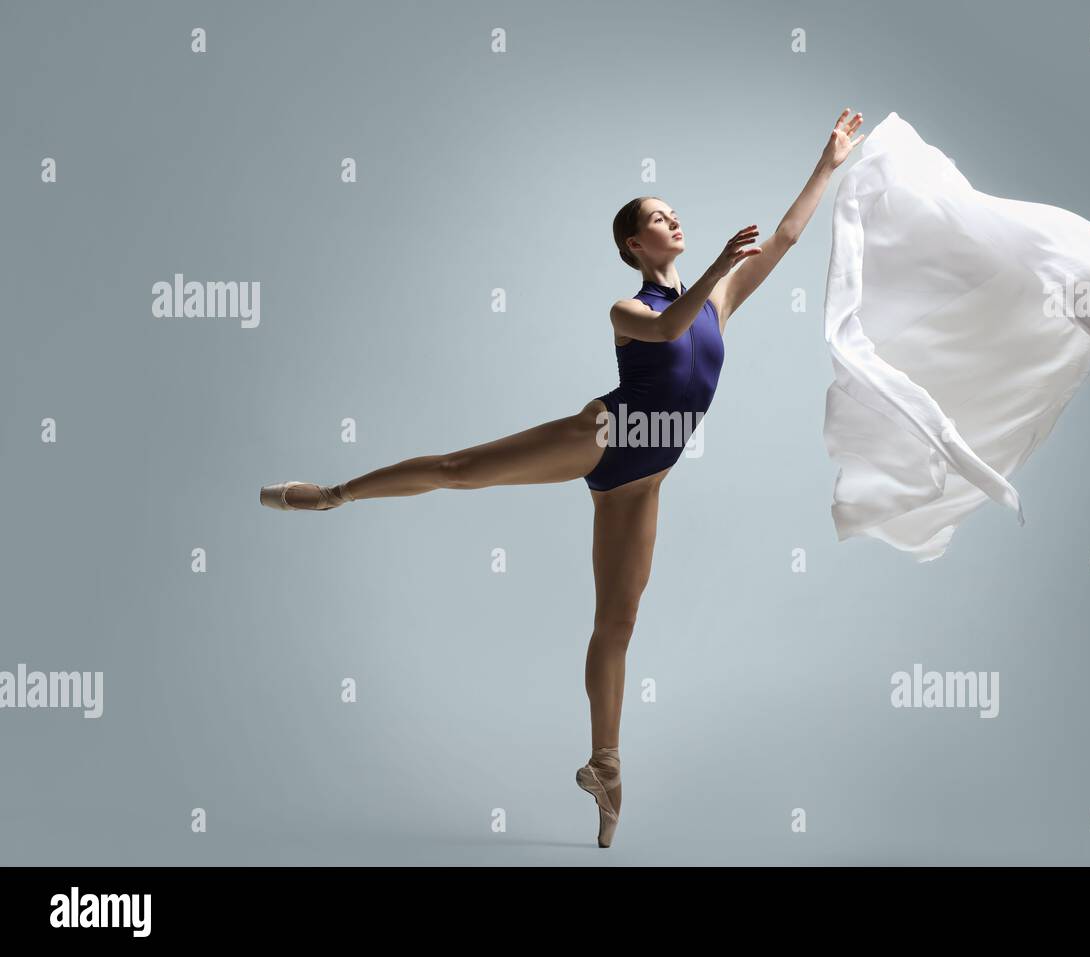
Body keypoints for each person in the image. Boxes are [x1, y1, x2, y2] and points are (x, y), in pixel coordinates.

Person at [260, 109, 866, 847]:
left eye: (675, 213)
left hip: (644, 478)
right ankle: (334, 494)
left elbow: (788, 237)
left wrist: (827, 165)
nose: (673, 220)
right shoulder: (630, 307)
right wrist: (714, 267)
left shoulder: (719, 301)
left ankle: (604, 765)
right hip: (603, 437)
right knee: (461, 469)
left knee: (616, 624)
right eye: (657, 217)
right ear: (632, 245)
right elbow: (667, 330)